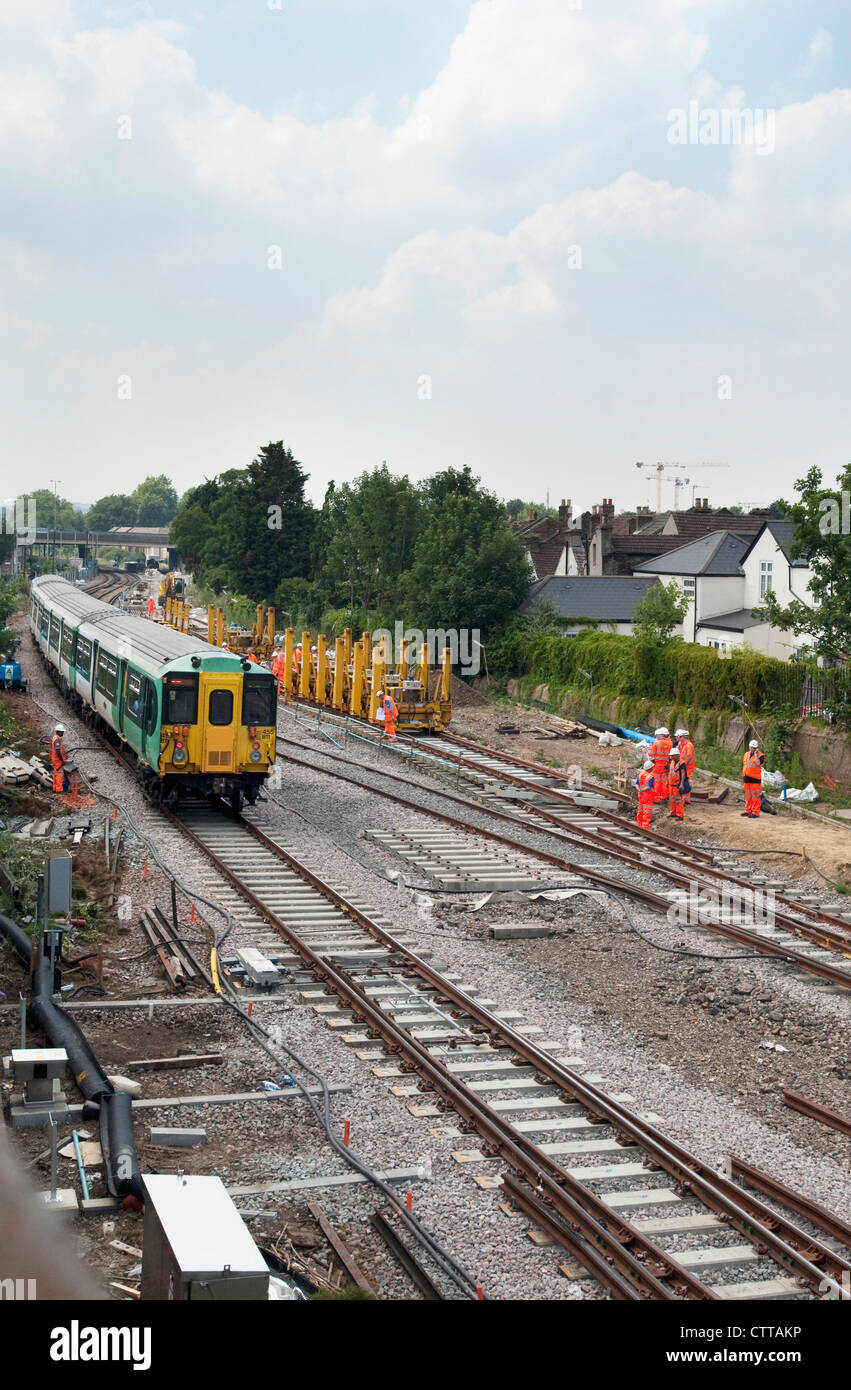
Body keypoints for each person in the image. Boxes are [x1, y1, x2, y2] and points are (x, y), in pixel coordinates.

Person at [649, 726, 672, 802]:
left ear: (659, 735)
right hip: (666, 765)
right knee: (664, 781)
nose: (656, 737)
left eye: (656, 735)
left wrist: (648, 749)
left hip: (657, 765)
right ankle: (664, 795)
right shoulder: (669, 743)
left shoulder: (656, 743)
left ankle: (656, 797)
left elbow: (651, 755)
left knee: (657, 782)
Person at [742, 739, 763, 818]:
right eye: (751, 747)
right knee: (748, 796)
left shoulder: (761, 756)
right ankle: (748, 810)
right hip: (746, 778)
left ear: (757, 748)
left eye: (754, 748)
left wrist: (755, 755)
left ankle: (755, 812)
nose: (752, 749)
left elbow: (758, 763)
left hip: (755, 779)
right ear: (749, 747)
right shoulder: (746, 754)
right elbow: (744, 765)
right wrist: (743, 775)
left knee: (755, 797)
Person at [49, 723, 70, 794]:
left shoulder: (54, 738)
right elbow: (58, 751)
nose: (63, 733)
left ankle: (55, 789)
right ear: (59, 731)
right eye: (62, 732)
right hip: (57, 760)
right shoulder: (57, 740)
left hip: (54, 759)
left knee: (55, 774)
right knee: (59, 775)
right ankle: (59, 790)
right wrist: (62, 760)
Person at [675, 728, 695, 802]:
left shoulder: (689, 745)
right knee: (684, 780)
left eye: (679, 737)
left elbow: (689, 756)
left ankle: (685, 798)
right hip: (685, 766)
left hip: (687, 767)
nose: (678, 738)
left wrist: (684, 765)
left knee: (684, 781)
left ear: (683, 737)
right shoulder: (684, 745)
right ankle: (686, 798)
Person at [635, 758, 655, 829]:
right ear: (650, 768)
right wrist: (643, 790)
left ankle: (638, 825)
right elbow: (649, 787)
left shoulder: (641, 774)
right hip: (648, 797)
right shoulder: (650, 777)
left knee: (640, 811)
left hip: (641, 796)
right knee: (647, 813)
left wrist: (639, 790)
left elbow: (637, 784)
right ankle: (645, 828)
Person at [668, 745, 686, 819]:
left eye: (672, 756)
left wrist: (681, 784)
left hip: (677, 785)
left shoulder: (681, 763)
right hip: (671, 784)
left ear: (677, 755)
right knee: (672, 800)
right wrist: (667, 782)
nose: (671, 757)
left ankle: (680, 815)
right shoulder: (672, 762)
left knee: (678, 800)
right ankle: (673, 813)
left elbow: (683, 774)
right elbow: (670, 772)